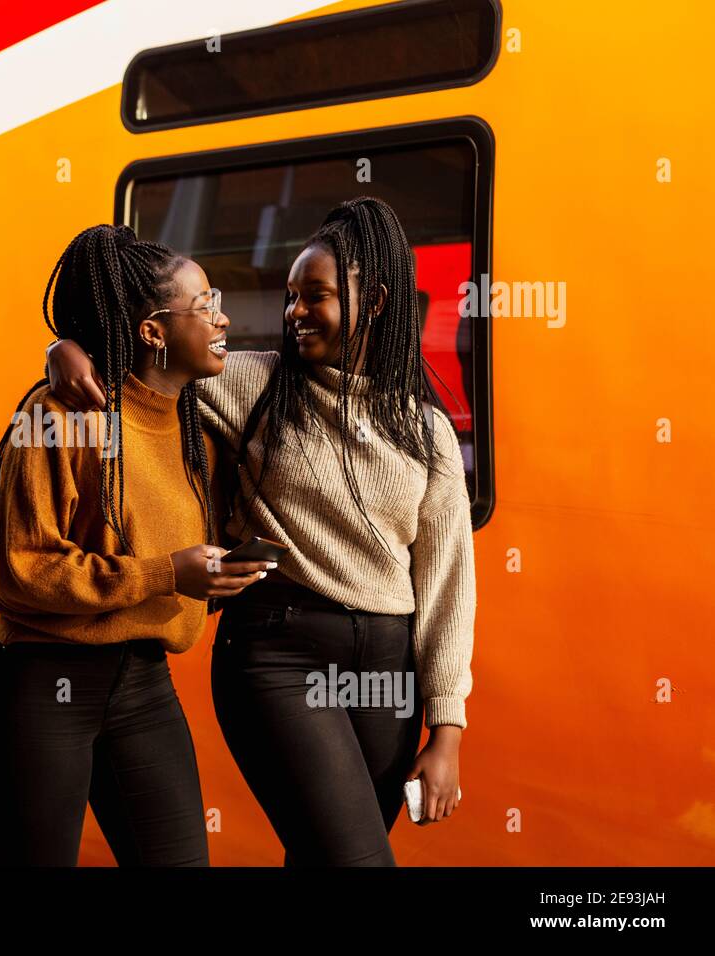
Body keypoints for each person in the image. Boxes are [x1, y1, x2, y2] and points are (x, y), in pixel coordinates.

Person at [45, 197, 475, 865]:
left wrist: (446, 730)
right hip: (279, 655)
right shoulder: (251, 384)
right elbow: (139, 361)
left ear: (379, 302)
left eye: (317, 296)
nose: (295, 312)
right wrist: (65, 347)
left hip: (389, 671)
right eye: (291, 296)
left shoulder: (428, 431)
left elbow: (447, 584)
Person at [0, 223, 269, 866]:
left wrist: (215, 575)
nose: (223, 317)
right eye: (205, 304)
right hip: (40, 685)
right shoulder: (59, 414)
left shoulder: (195, 423)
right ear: (153, 330)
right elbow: (18, 569)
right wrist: (165, 574)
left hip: (143, 686)